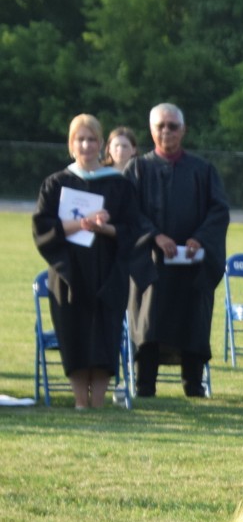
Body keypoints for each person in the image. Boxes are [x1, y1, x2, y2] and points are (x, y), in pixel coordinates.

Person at [32, 114, 143, 409]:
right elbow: (42, 228)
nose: (86, 144)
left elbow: (133, 229)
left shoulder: (118, 185)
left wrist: (102, 227)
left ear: (101, 144)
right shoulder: (56, 184)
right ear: (71, 144)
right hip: (69, 272)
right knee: (75, 332)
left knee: (105, 332)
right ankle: (81, 402)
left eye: (92, 139)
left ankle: (98, 402)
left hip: (109, 270)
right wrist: (79, 224)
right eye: (80, 139)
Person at [125, 102, 229, 397]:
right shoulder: (137, 169)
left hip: (191, 264)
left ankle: (193, 385)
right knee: (149, 322)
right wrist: (155, 236)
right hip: (152, 264)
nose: (167, 131)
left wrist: (200, 238)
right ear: (151, 130)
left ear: (183, 130)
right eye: (161, 126)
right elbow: (128, 211)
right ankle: (145, 385)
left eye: (173, 126)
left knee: (192, 320)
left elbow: (219, 211)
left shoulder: (203, 170)